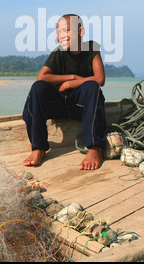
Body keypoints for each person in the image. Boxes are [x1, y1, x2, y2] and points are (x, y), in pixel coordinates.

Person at [22, 13, 107, 170]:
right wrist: (71, 77)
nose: (61, 36)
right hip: (58, 106)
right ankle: (38, 148)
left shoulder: (92, 48)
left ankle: (95, 149)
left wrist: (71, 84)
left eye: (66, 30)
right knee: (38, 87)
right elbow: (42, 77)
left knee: (91, 86)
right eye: (58, 33)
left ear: (81, 31)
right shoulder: (58, 52)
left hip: (80, 107)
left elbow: (100, 78)